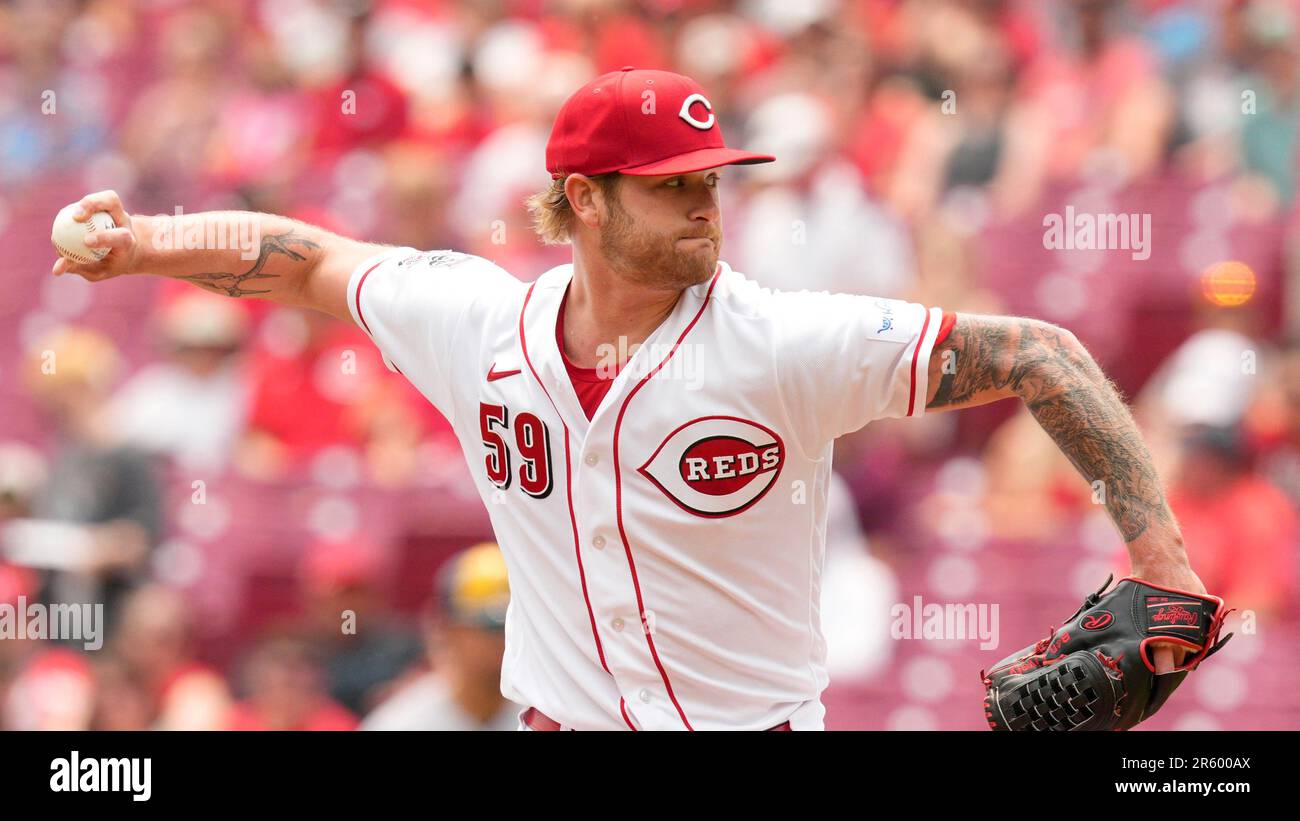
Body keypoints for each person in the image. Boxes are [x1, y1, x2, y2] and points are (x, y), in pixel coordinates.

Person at [53, 67, 1212, 731]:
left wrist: (1158, 558)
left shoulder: (783, 341)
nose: (706, 206)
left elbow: (1043, 354)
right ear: (585, 201)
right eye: (670, 189)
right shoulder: (475, 321)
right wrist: (143, 240)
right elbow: (307, 258)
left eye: (711, 181)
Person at [362, 542, 521, 731]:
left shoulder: (550, 716)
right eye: (489, 628)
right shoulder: (399, 724)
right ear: (447, 628)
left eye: (511, 629)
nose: (502, 641)